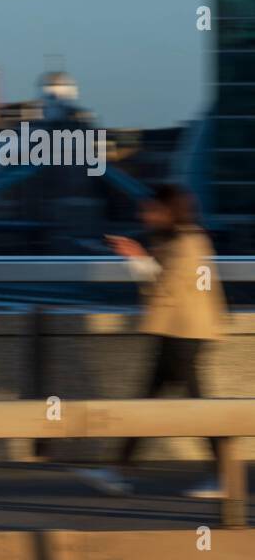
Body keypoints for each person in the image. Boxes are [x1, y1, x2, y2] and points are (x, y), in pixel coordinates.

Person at [80, 183, 229, 498]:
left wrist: (137, 258)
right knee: (151, 400)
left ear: (167, 211)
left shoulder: (189, 243)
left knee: (195, 405)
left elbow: (166, 289)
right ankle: (116, 470)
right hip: (179, 331)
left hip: (185, 334)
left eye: (150, 210)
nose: (144, 215)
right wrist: (143, 257)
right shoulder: (181, 239)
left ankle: (224, 477)